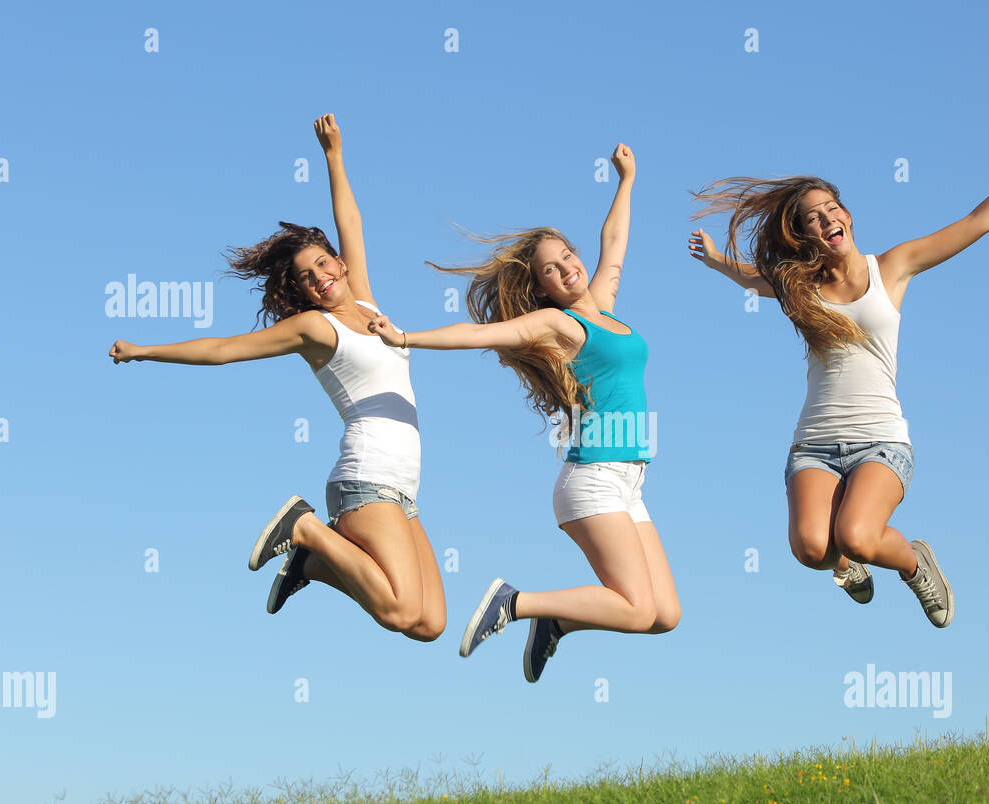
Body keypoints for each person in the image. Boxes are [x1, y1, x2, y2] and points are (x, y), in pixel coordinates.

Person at [689, 111, 989, 628]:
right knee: (814, 549)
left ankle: (915, 563)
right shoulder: (801, 290)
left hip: (880, 440)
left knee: (858, 534)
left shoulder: (893, 267)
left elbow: (978, 222)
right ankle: (848, 565)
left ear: (847, 216)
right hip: (814, 443)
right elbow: (757, 280)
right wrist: (719, 263)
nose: (825, 219)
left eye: (831, 208)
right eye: (812, 217)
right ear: (803, 236)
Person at [109, 114, 445, 641]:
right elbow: (223, 350)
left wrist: (333, 154)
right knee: (401, 612)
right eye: (306, 278)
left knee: (430, 624)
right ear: (304, 293)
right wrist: (146, 350)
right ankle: (304, 526)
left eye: (323, 264)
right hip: (368, 479)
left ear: (339, 262)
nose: (320, 278)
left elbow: (350, 223)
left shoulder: (365, 301)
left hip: (404, 488)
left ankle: (307, 564)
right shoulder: (316, 327)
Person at [368, 143, 679, 681]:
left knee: (663, 616)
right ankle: (516, 603)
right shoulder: (559, 327)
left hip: (630, 481)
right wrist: (404, 337)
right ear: (541, 289)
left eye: (567, 259)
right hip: (594, 479)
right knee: (634, 606)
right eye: (550, 271)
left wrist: (626, 180)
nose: (565, 270)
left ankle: (555, 624)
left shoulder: (602, 307)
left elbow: (615, 243)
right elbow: (480, 334)